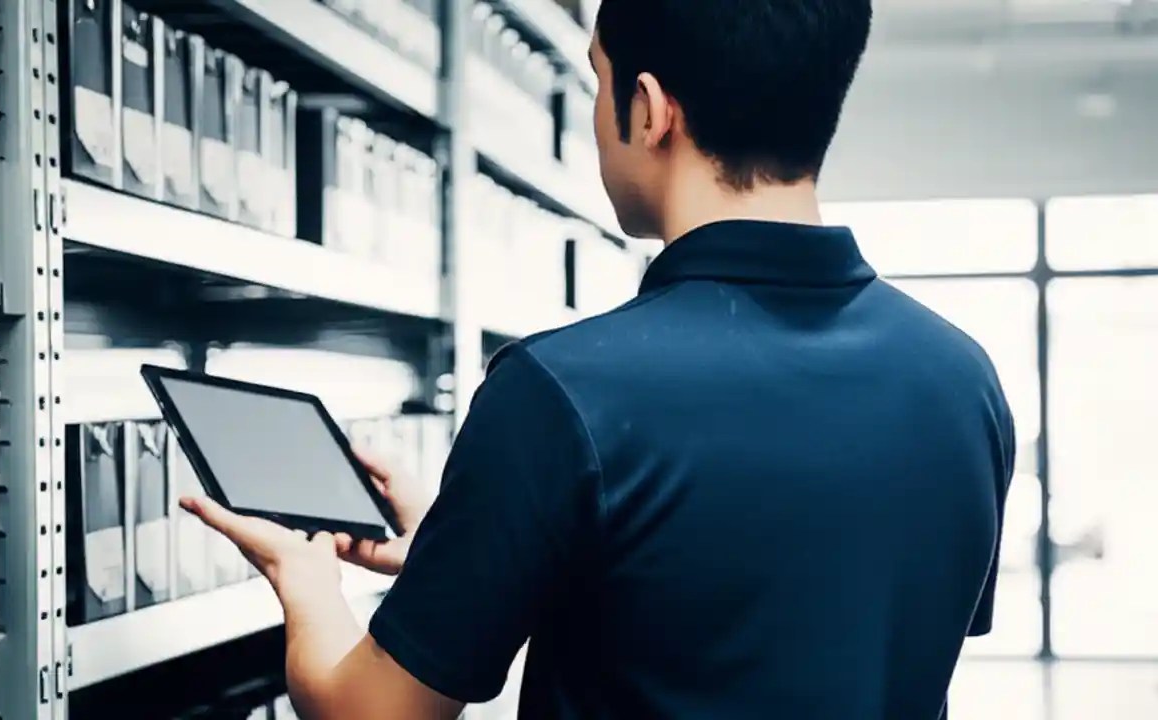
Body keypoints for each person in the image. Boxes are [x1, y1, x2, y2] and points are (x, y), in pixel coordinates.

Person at [183, 1, 1015, 718]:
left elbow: (374, 710)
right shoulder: (962, 382)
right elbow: (791, 612)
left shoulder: (558, 394)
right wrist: (473, 549)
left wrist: (306, 580)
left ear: (650, 110)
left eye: (596, 80)